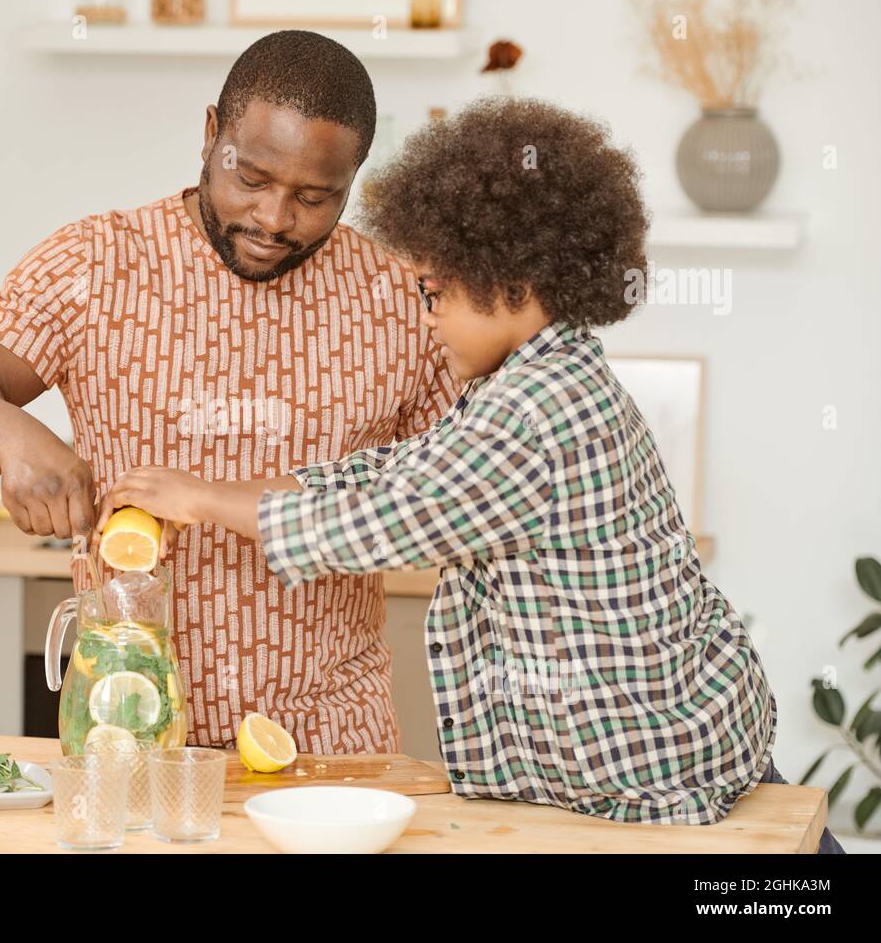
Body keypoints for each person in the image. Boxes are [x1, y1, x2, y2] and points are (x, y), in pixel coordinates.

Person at [96, 97, 847, 850]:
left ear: (511, 284)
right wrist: (272, 485)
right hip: (647, 750)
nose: (426, 319)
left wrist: (202, 497)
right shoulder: (539, 378)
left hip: (646, 779)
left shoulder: (533, 414)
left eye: (434, 295)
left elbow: (383, 524)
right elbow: (405, 468)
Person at [0, 30, 455, 754]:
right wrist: (16, 438)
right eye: (251, 178)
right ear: (210, 135)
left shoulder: (400, 296)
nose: (273, 218)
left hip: (331, 742)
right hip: (125, 725)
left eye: (316, 197)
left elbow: (457, 489)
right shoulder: (98, 261)